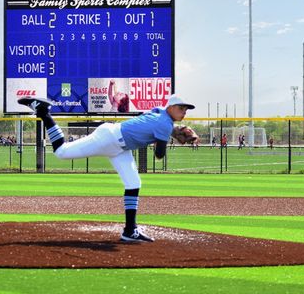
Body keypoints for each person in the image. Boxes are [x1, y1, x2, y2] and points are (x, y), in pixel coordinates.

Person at [18, 94, 196, 243]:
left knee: (133, 183)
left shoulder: (160, 111)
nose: (184, 112)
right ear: (171, 107)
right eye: (181, 108)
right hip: (110, 139)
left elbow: (154, 123)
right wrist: (171, 136)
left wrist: (173, 132)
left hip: (120, 146)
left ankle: (130, 231)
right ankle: (44, 112)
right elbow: (159, 155)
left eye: (186, 110)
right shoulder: (164, 123)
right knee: (61, 152)